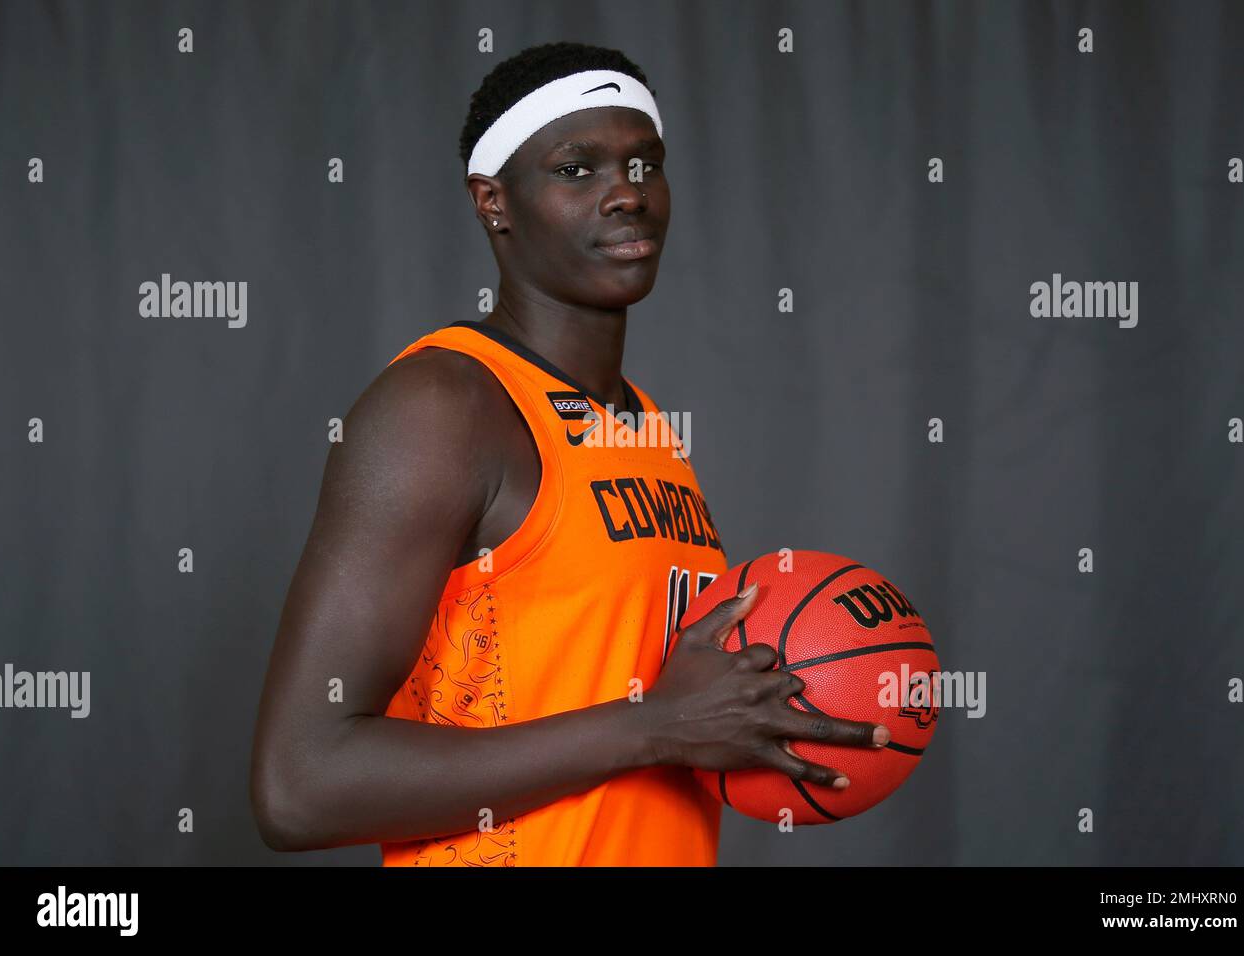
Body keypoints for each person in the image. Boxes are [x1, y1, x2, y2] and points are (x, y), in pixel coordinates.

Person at [249, 41, 889, 867]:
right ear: (494, 203)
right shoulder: (445, 407)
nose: (626, 193)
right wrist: (654, 726)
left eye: (644, 164)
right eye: (577, 170)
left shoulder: (647, 424)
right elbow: (299, 787)